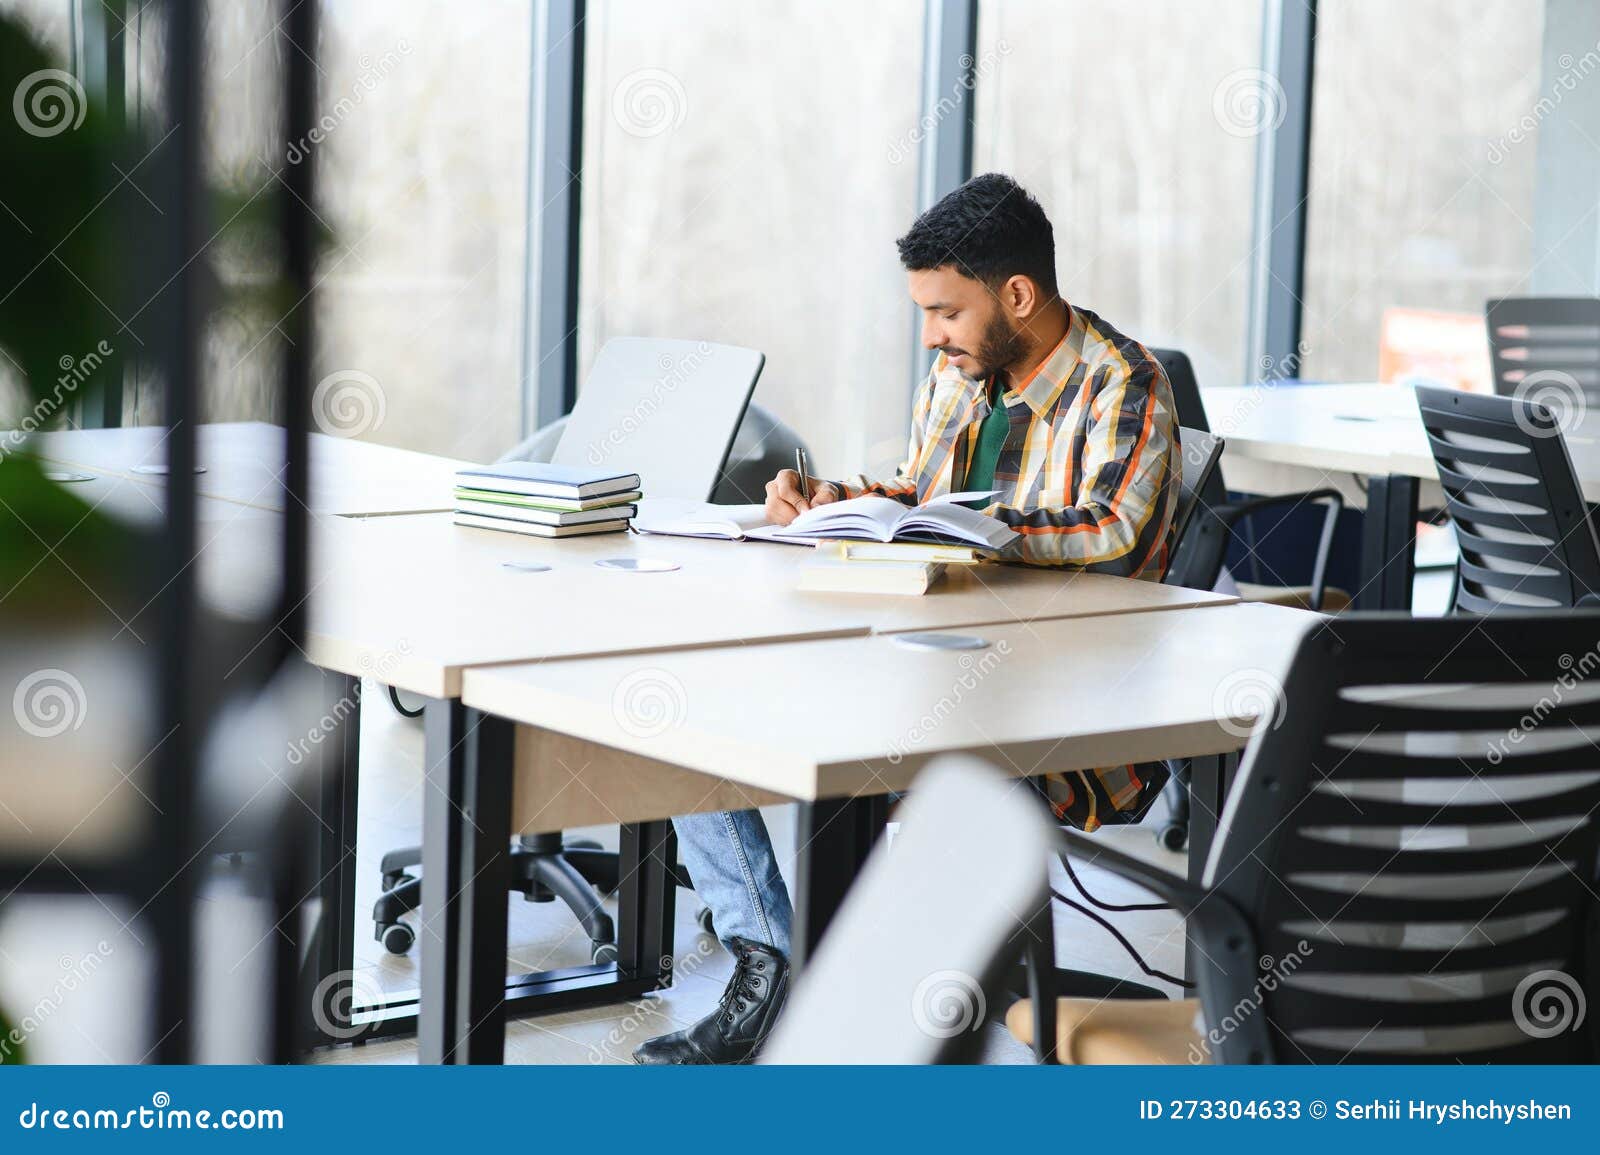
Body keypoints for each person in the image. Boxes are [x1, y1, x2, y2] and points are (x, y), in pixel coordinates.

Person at [632, 172, 1181, 1065]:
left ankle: (841, 1002)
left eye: (946, 312)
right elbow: (921, 496)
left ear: (1017, 294)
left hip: (1067, 710)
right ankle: (773, 959)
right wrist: (831, 501)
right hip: (932, 662)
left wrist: (974, 534)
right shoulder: (960, 373)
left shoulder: (1123, 382)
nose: (932, 335)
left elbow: (1112, 533)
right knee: (698, 701)